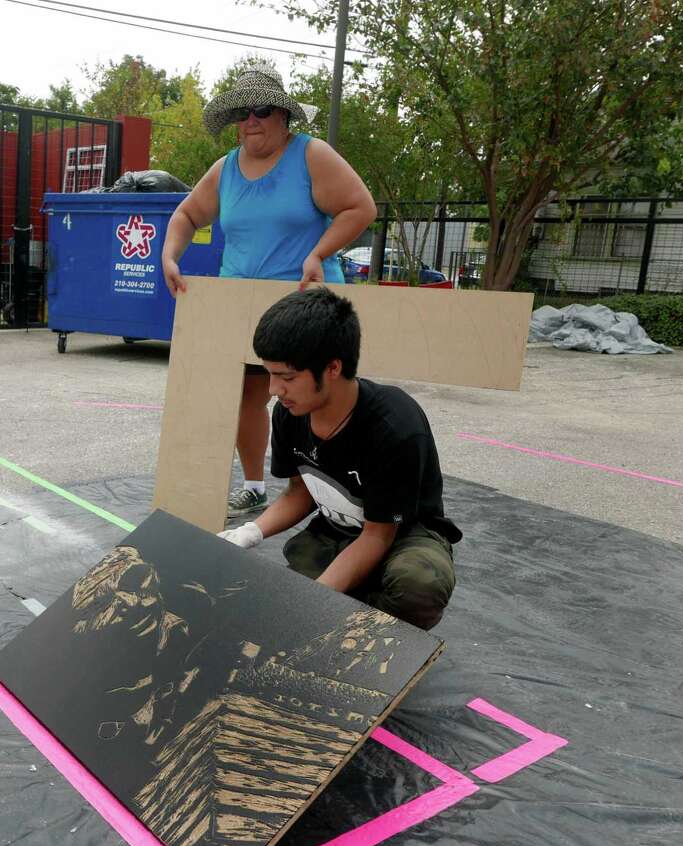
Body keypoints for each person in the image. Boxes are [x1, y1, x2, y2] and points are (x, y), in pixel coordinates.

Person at [161, 64, 376, 517]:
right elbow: (185, 216)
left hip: (305, 304)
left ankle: (330, 490)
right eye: (242, 113)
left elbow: (360, 208)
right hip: (241, 308)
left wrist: (318, 253)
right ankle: (256, 486)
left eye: (260, 110)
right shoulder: (224, 170)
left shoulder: (311, 155)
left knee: (315, 398)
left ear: (283, 116)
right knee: (247, 397)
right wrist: (169, 256)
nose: (249, 120)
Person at [218, 288, 461, 631]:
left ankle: (373, 626)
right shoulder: (291, 413)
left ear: (333, 367)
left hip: (402, 534)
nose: (274, 389)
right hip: (337, 532)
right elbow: (299, 493)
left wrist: (317, 603)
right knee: (305, 572)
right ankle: (350, 601)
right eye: (269, 373)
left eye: (287, 377)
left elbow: (378, 536)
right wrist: (250, 532)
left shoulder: (394, 426)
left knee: (416, 586)